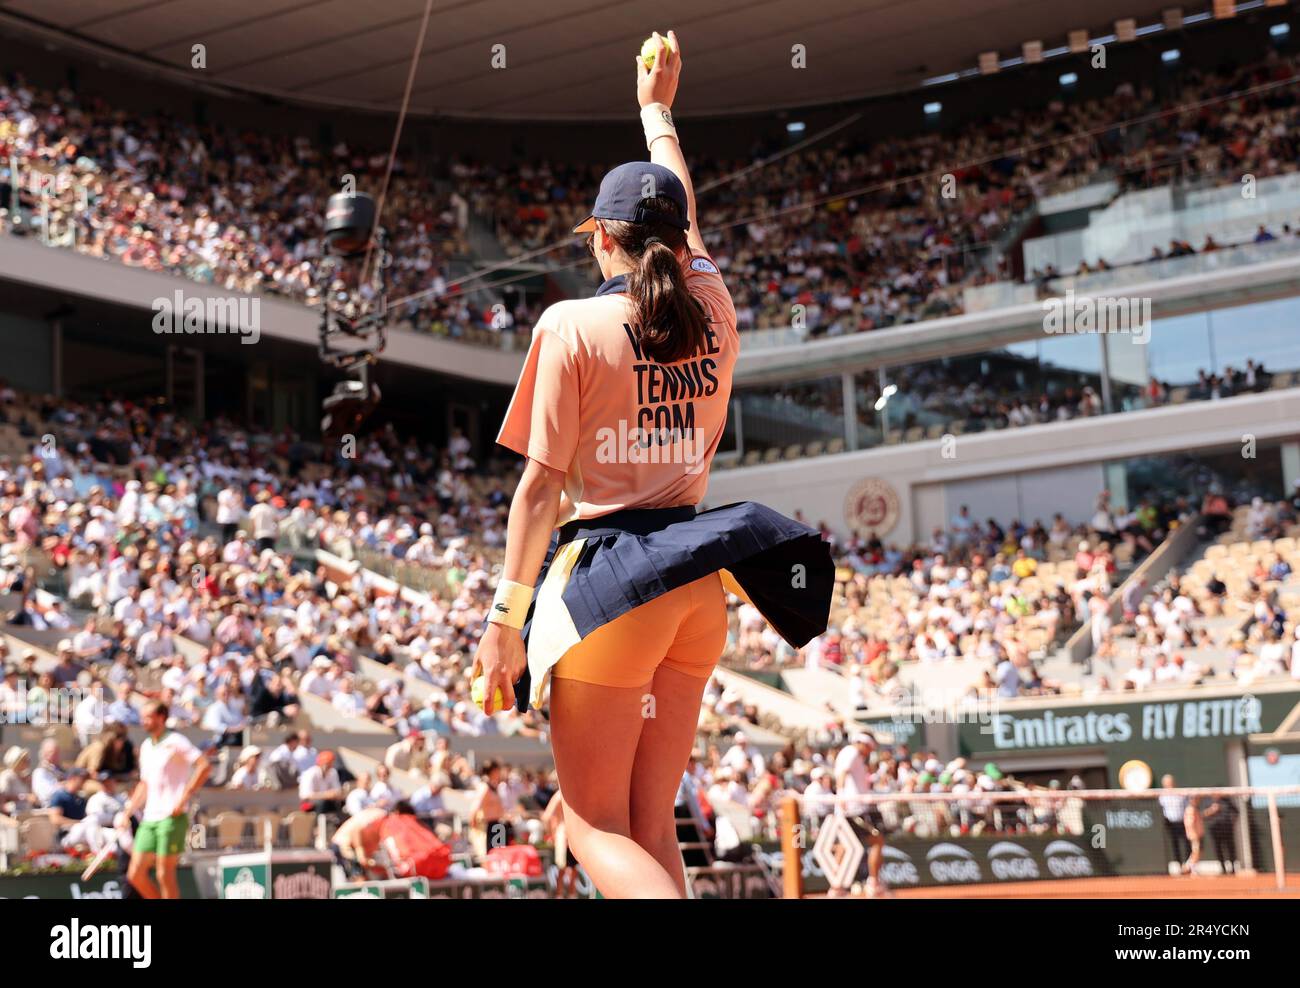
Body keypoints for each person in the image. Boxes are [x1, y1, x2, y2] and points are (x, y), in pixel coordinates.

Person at [472, 29, 831, 900]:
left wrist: (501, 619)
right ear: (674, 241)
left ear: (600, 238)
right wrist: (656, 111)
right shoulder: (713, 301)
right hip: (696, 591)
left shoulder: (570, 325)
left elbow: (539, 489)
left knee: (593, 825)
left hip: (611, 584)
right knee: (646, 824)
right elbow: (688, 212)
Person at [120, 699, 210, 899]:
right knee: (135, 875)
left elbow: (204, 765)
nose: (143, 721)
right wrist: (127, 812)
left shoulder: (176, 741)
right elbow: (144, 784)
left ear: (161, 718)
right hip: (149, 818)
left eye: (148, 717)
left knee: (164, 875)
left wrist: (183, 797)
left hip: (172, 817)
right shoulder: (145, 746)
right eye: (142, 717)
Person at [1157, 774, 1190, 871]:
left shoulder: (1181, 793)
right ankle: (1179, 866)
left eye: (1170, 782)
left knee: (1187, 843)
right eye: (1167, 783)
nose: (1169, 784)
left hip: (1182, 822)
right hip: (1170, 823)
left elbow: (1187, 806)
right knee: (1175, 845)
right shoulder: (1162, 796)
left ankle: (1187, 865)